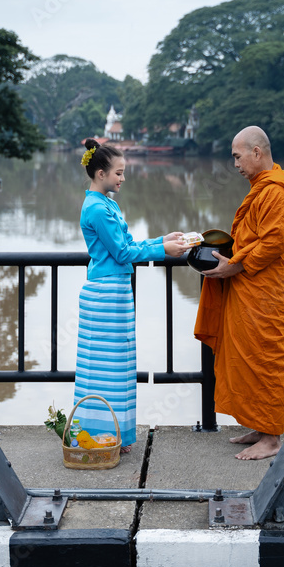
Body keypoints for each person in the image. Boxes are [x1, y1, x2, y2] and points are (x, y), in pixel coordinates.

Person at [73, 139, 190, 454]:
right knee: (106, 367)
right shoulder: (97, 207)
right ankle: (100, 436)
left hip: (115, 289)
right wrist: (163, 250)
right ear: (100, 174)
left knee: (116, 365)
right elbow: (123, 251)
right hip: (106, 291)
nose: (122, 179)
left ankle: (111, 435)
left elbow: (125, 243)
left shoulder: (105, 203)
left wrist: (160, 240)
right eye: (118, 173)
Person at [194, 126, 284, 460]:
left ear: (257, 152)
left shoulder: (277, 191)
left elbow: (273, 242)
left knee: (266, 359)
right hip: (249, 288)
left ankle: (272, 439)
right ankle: (260, 426)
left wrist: (234, 266)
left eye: (238, 157)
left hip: (264, 292)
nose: (236, 164)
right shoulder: (262, 188)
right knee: (247, 358)